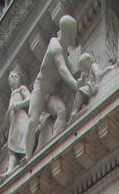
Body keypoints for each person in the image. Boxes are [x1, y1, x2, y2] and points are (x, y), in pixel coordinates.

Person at [25, 15, 82, 157]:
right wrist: (76, 85)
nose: (74, 35)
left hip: (50, 95)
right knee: (32, 121)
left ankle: (54, 147)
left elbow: (68, 69)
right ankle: (27, 157)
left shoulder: (64, 53)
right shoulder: (55, 45)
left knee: (62, 111)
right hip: (40, 89)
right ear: (68, 32)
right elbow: (62, 69)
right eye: (73, 32)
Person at [3, 65, 30, 175]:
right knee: (12, 146)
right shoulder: (12, 95)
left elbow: (30, 99)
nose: (14, 78)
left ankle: (27, 155)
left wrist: (18, 105)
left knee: (24, 136)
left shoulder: (21, 89)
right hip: (13, 124)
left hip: (21, 118)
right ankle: (10, 170)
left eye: (16, 76)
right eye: (12, 76)